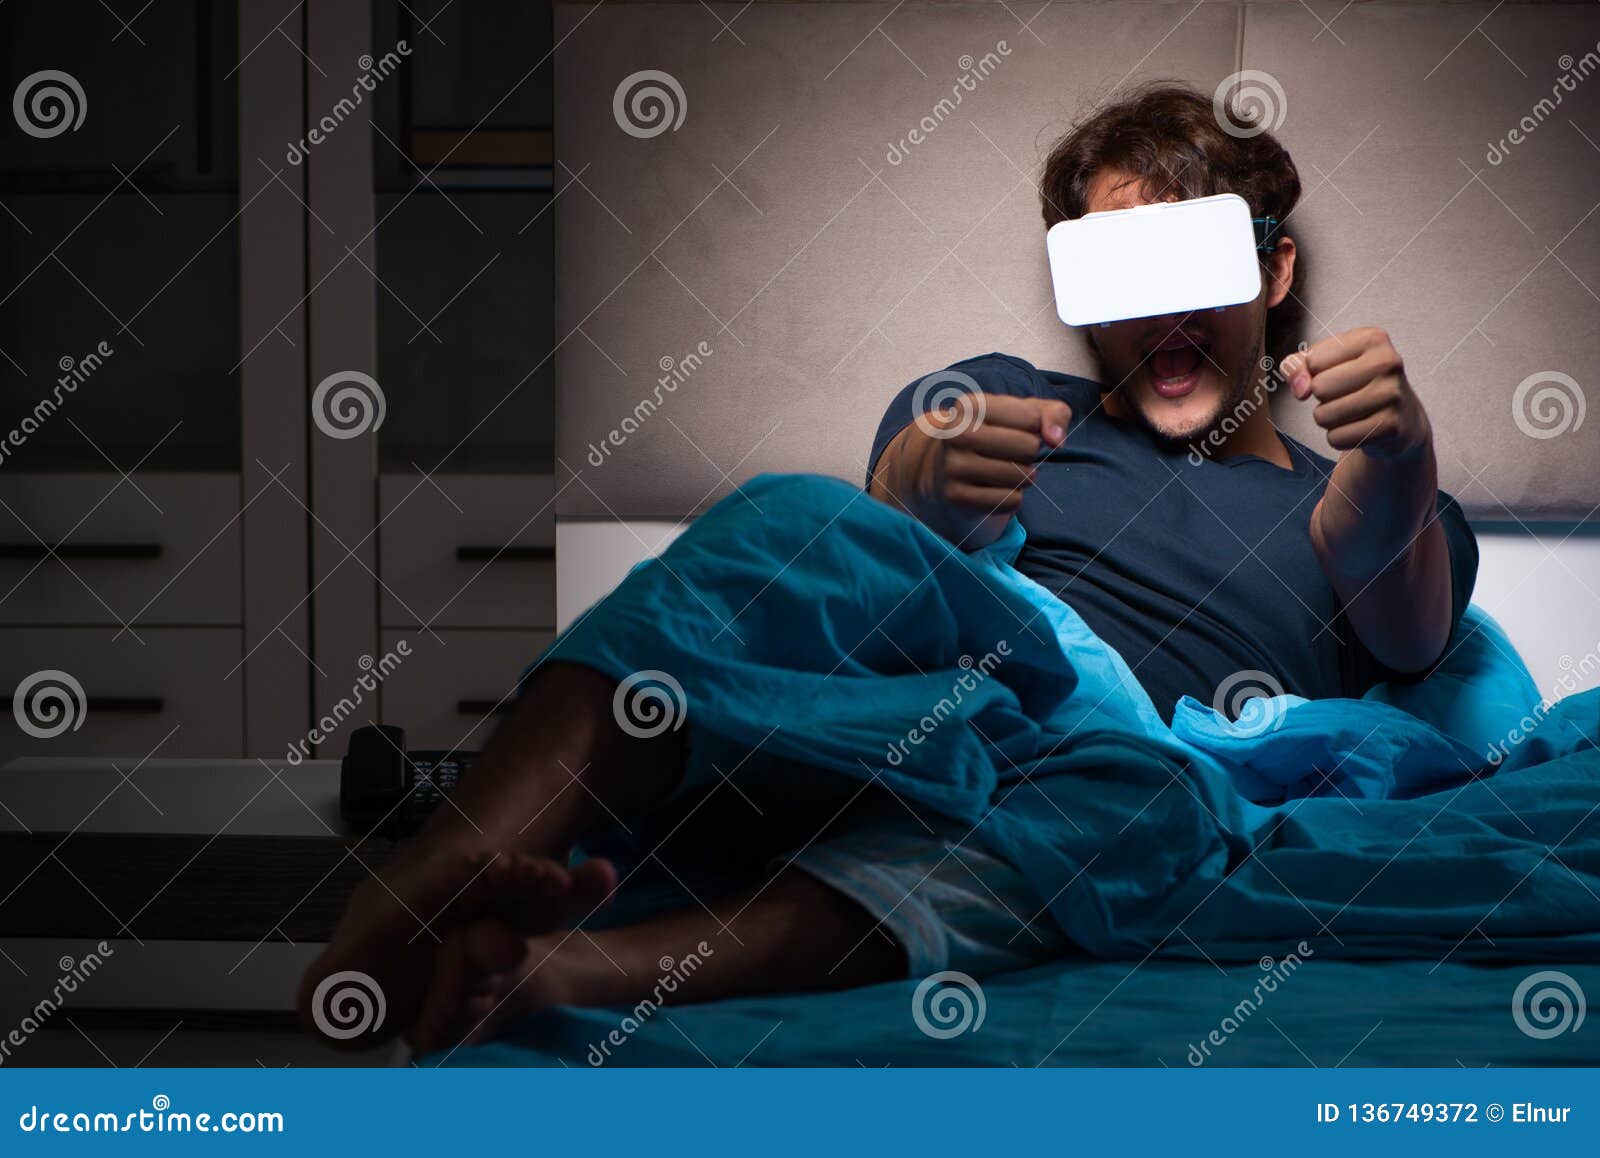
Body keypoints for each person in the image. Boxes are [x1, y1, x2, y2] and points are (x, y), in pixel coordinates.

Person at [298, 81, 1476, 1057]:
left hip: (1105, 773)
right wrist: (927, 473)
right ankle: (446, 859)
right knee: (793, 515)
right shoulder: (1015, 398)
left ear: (1270, 278)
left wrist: (1400, 457)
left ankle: (542, 977)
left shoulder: (1366, 498)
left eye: (1192, 261)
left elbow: (1410, 632)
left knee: (1139, 805)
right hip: (919, 704)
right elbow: (875, 536)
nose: (1162, 308)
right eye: (1120, 269)